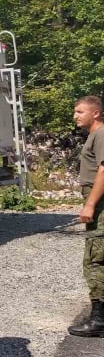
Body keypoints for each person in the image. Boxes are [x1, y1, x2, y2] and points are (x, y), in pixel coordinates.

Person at [68, 95, 104, 338]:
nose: (75, 116)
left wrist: (90, 204)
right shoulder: (95, 135)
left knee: (94, 260)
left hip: (100, 204)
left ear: (96, 113)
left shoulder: (101, 134)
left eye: (80, 111)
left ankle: (99, 320)